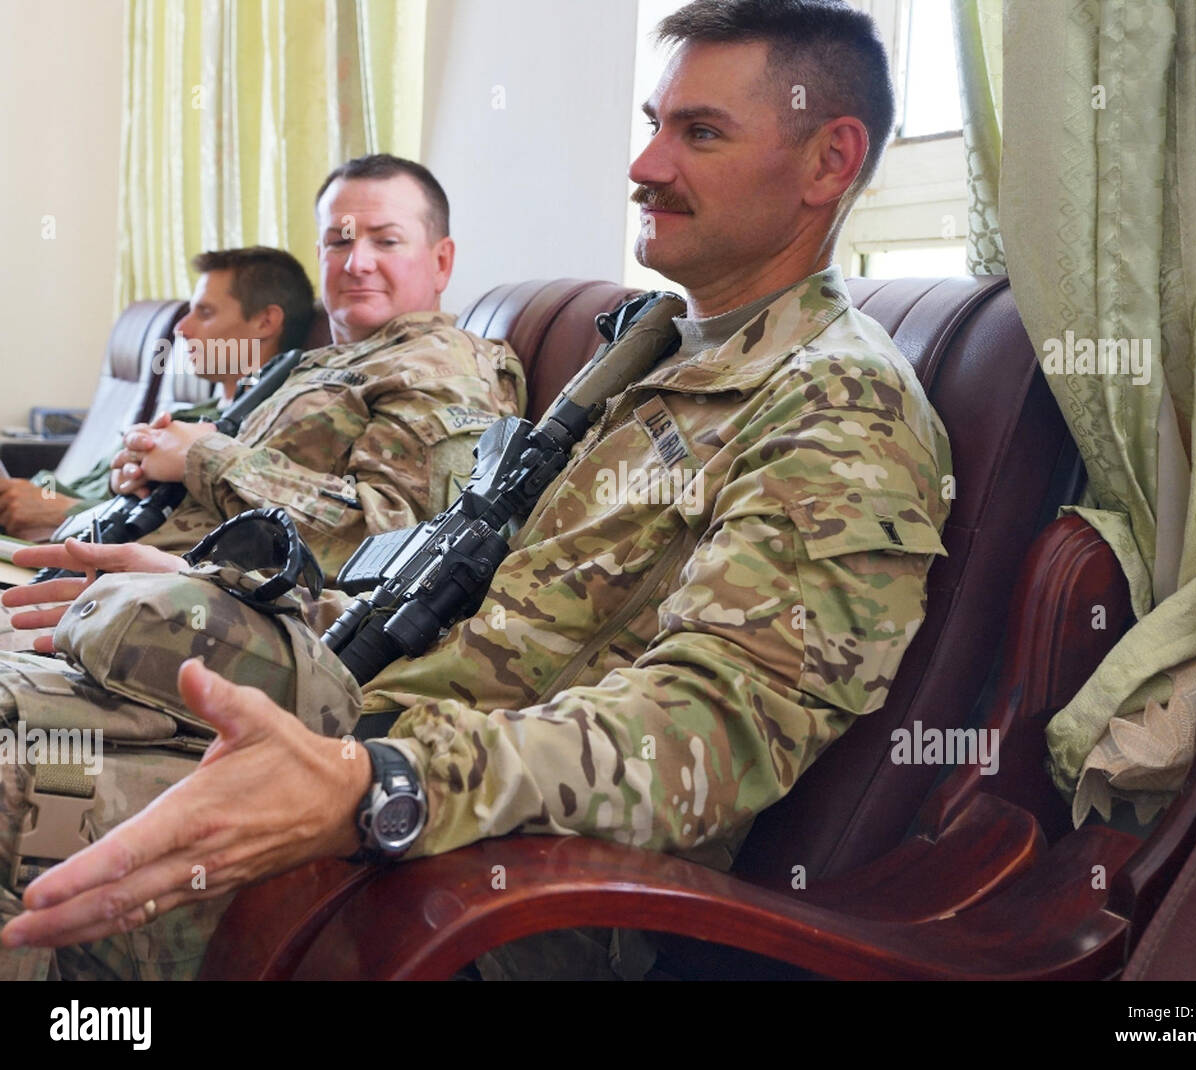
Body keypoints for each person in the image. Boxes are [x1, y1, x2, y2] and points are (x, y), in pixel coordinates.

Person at [0, 0, 948, 981]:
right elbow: (489, 627)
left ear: (829, 162)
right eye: (652, 125)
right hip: (363, 745)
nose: (645, 166)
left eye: (699, 133)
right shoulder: (658, 358)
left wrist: (379, 781)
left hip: (480, 864)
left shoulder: (835, 405)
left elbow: (709, 725)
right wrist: (209, 586)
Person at [110, 153, 524, 584]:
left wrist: (202, 457)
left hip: (225, 614)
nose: (356, 263)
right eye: (339, 242)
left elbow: (397, 546)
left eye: (386, 241)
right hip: (140, 577)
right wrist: (148, 471)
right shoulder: (312, 364)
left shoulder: (441, 367)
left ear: (441, 262)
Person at [0, 246, 315, 542]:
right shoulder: (184, 418)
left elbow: (190, 535)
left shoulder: (257, 436)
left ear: (265, 321)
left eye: (204, 312)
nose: (181, 329)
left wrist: (64, 514)